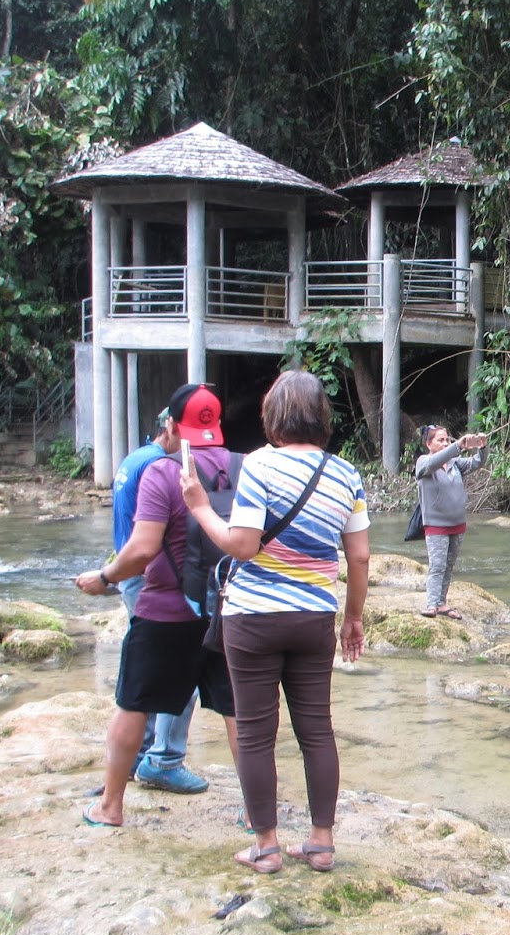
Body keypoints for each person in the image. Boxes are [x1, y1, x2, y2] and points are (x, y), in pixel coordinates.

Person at [182, 370, 370, 874]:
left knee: (255, 734)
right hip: (314, 616)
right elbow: (359, 557)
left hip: (254, 619)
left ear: (272, 415)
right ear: (321, 417)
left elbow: (242, 544)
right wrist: (353, 618)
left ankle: (265, 845)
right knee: (317, 730)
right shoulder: (346, 473)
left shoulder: (258, 466)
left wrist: (201, 508)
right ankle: (321, 842)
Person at [75, 383, 241, 828]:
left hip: (166, 612)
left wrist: (106, 577)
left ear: (172, 425)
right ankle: (255, 812)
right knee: (238, 711)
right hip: (229, 614)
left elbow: (144, 548)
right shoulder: (243, 469)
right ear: (218, 424)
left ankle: (110, 807)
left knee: (133, 703)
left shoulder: (163, 471)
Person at [107, 409, 209, 795]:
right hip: (155, 580)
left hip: (133, 573)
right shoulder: (162, 468)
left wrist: (112, 573)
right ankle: (162, 760)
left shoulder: (134, 459)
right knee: (176, 677)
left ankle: (139, 757)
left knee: (144, 676)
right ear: (170, 428)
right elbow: (153, 538)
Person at [414, 423, 488, 619]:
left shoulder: (455, 464)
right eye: (440, 440)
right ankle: (431, 604)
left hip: (457, 524)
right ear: (429, 444)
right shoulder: (423, 462)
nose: (445, 443)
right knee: (437, 565)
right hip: (436, 525)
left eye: (447, 439)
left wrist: (482, 446)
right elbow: (432, 464)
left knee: (449, 565)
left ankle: (441, 603)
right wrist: (457, 447)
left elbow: (477, 463)